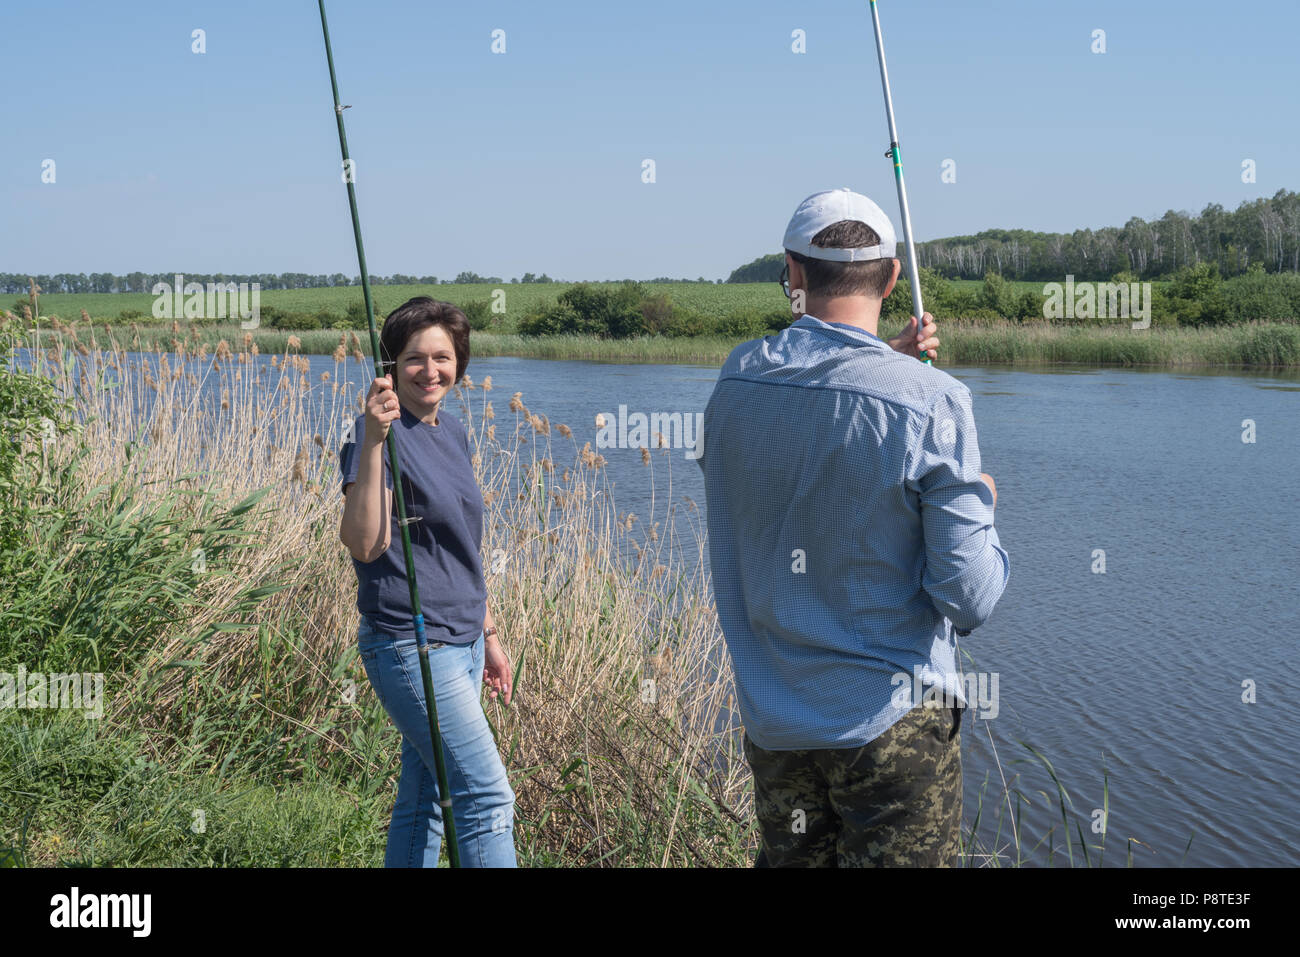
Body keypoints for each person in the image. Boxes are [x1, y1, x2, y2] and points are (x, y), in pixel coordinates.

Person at [696, 188, 1010, 867]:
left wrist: (876, 359)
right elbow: (969, 596)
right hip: (890, 725)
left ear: (793, 274)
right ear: (893, 277)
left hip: (777, 725)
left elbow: (807, 430)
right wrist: (980, 497)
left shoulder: (737, 376)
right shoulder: (933, 400)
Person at [338, 296, 516, 868]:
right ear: (390, 366)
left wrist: (488, 634)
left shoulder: (455, 432)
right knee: (486, 797)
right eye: (415, 358)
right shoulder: (374, 437)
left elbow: (461, 546)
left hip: (462, 642)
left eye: (444, 356)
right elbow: (365, 544)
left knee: (425, 802)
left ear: (459, 363)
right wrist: (370, 441)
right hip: (411, 646)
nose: (431, 370)